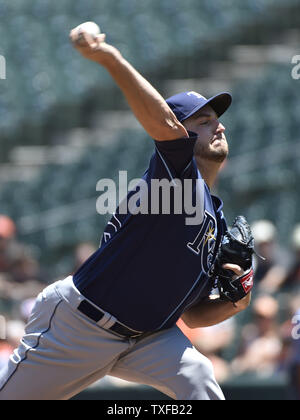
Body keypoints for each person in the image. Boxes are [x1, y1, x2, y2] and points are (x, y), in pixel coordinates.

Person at [0, 25, 252, 401]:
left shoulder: (213, 219)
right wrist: (108, 57)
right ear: (181, 135)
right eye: (203, 121)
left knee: (199, 376)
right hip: (80, 326)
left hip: (149, 338)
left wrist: (239, 299)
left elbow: (195, 316)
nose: (219, 125)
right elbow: (164, 127)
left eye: (216, 118)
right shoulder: (176, 183)